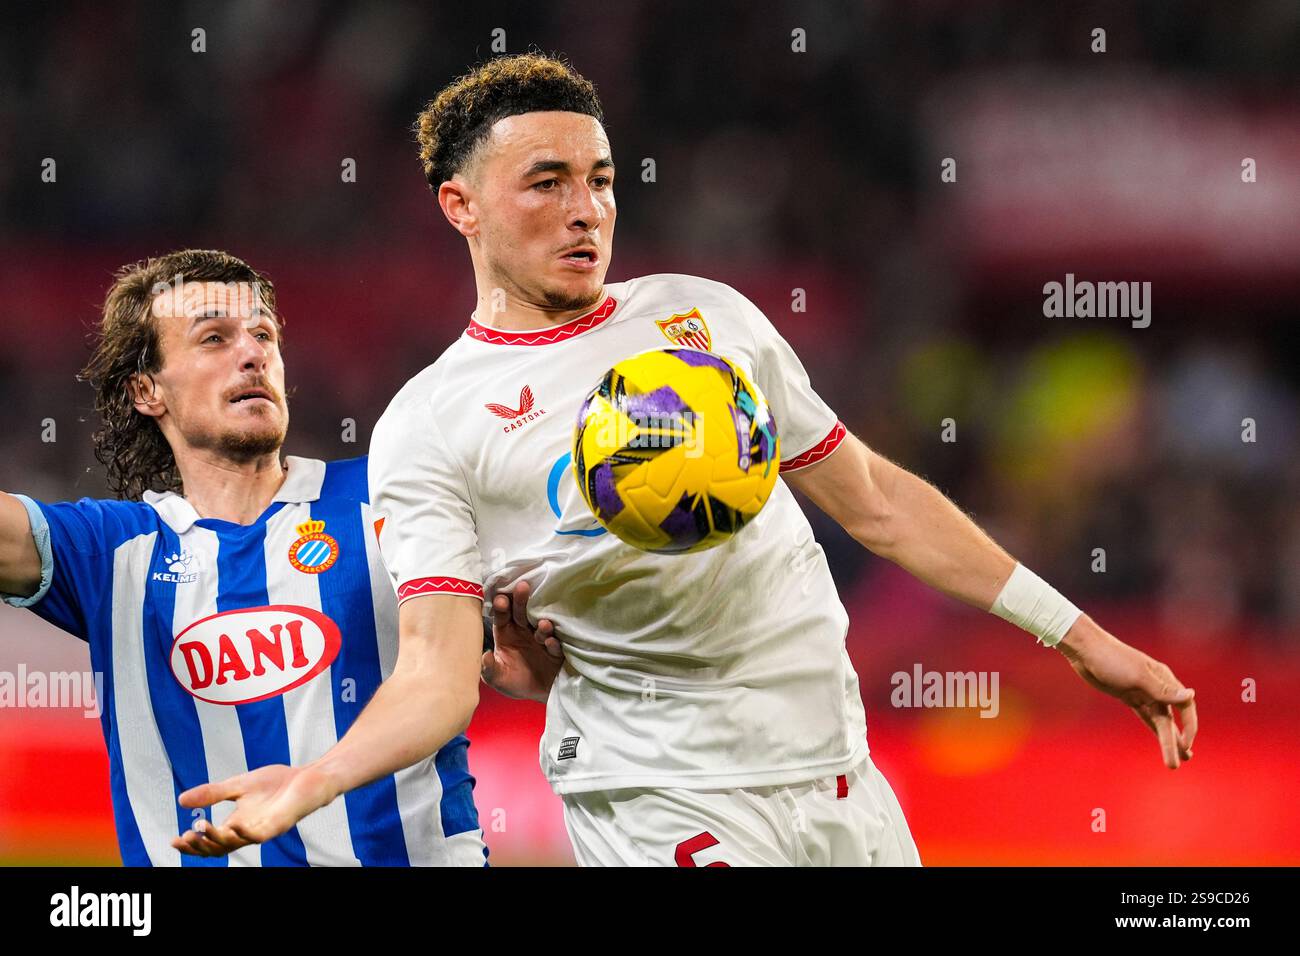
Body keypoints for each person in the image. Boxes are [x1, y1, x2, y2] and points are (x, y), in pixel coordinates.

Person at [178, 55, 1197, 866]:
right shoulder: (431, 423)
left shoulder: (705, 317)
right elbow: (440, 674)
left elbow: (877, 500)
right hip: (659, 791)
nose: (587, 210)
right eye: (547, 183)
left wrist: (1076, 634)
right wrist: (307, 781)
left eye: (601, 181)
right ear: (461, 206)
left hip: (837, 765)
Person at [0, 248, 554, 866]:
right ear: (147, 389)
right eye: (214, 337)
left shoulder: (393, 494)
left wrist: (559, 673)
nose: (252, 352)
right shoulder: (111, 551)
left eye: (264, 334)